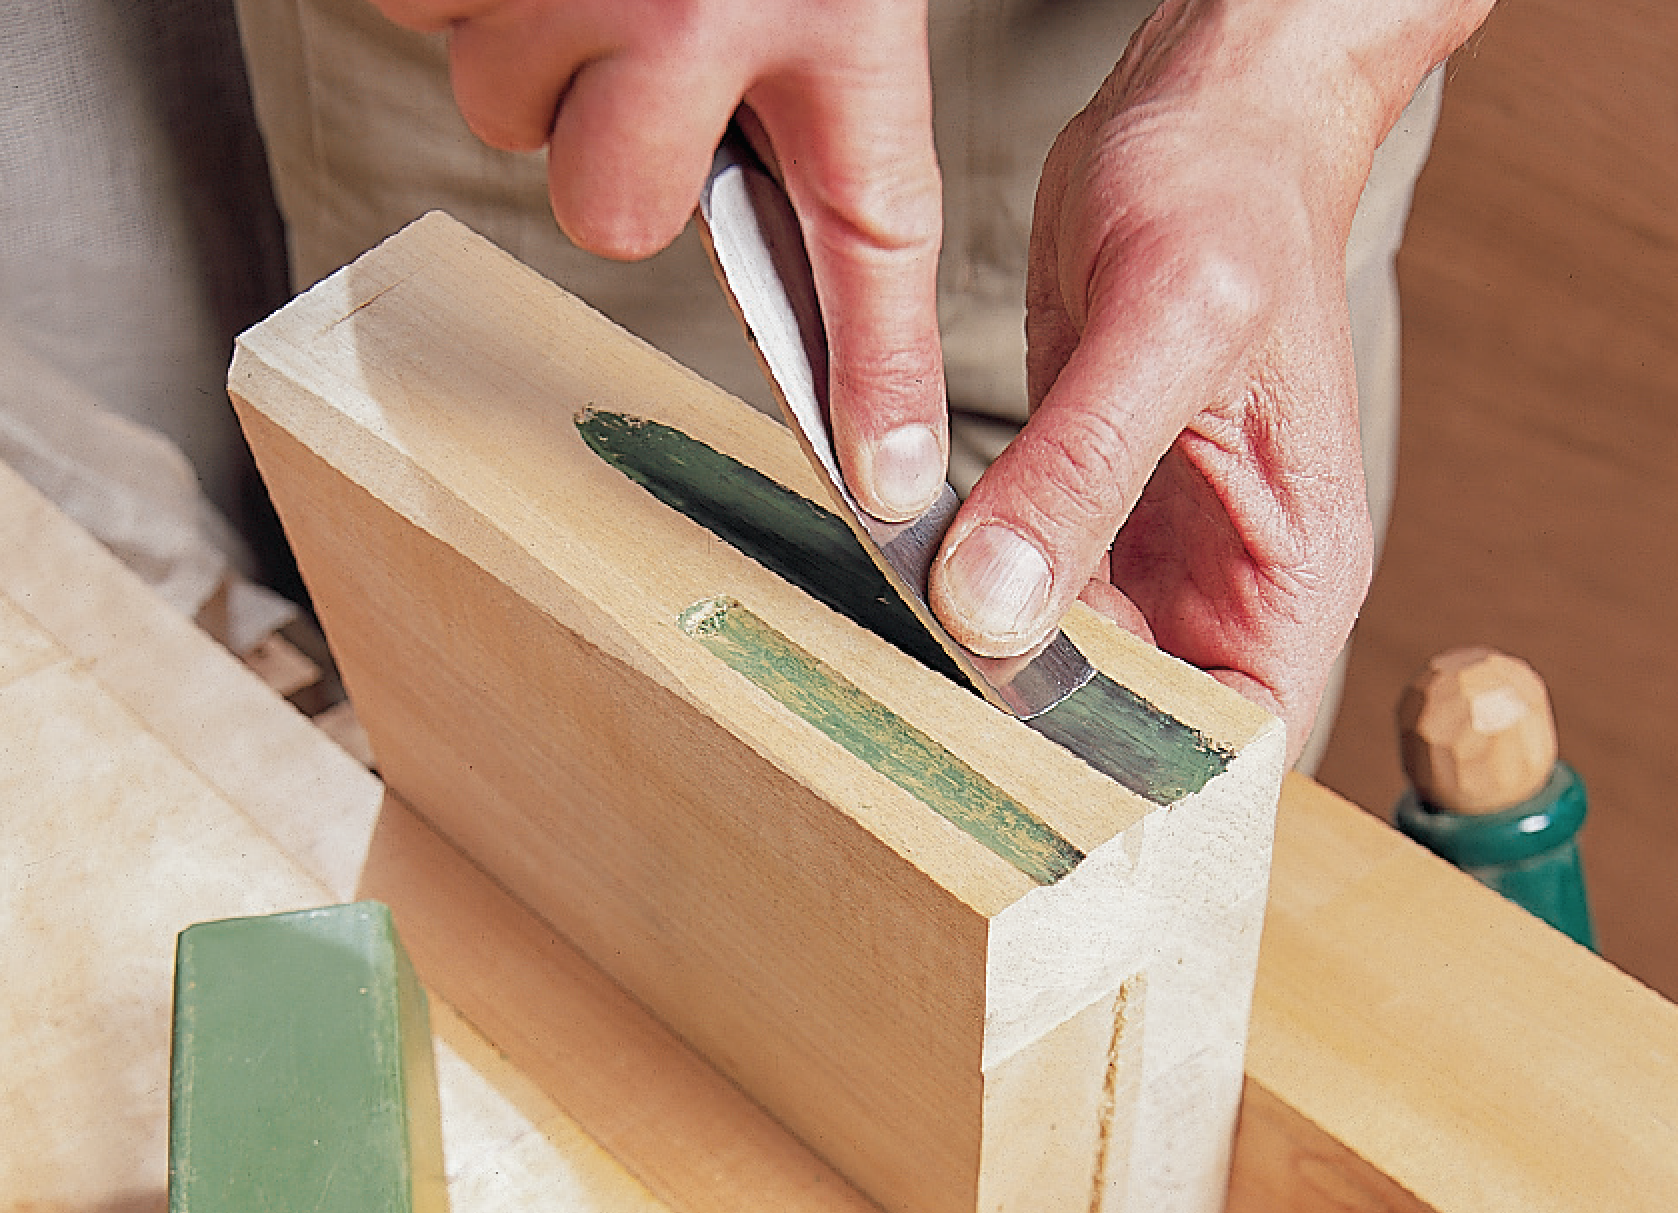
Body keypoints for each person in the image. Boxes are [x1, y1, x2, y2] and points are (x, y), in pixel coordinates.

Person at [235, 0, 1494, 766]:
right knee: (501, 756)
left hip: (1227, 155)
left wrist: (1304, 74)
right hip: (608, 95)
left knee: (1158, 767)